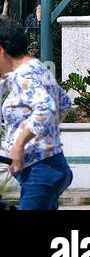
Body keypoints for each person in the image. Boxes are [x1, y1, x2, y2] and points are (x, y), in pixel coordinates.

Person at [0, 18, 73, 209]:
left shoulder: (24, 75)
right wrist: (46, 138)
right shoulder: (36, 68)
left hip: (40, 170)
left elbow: (46, 106)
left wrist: (19, 146)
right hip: (48, 165)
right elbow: (64, 102)